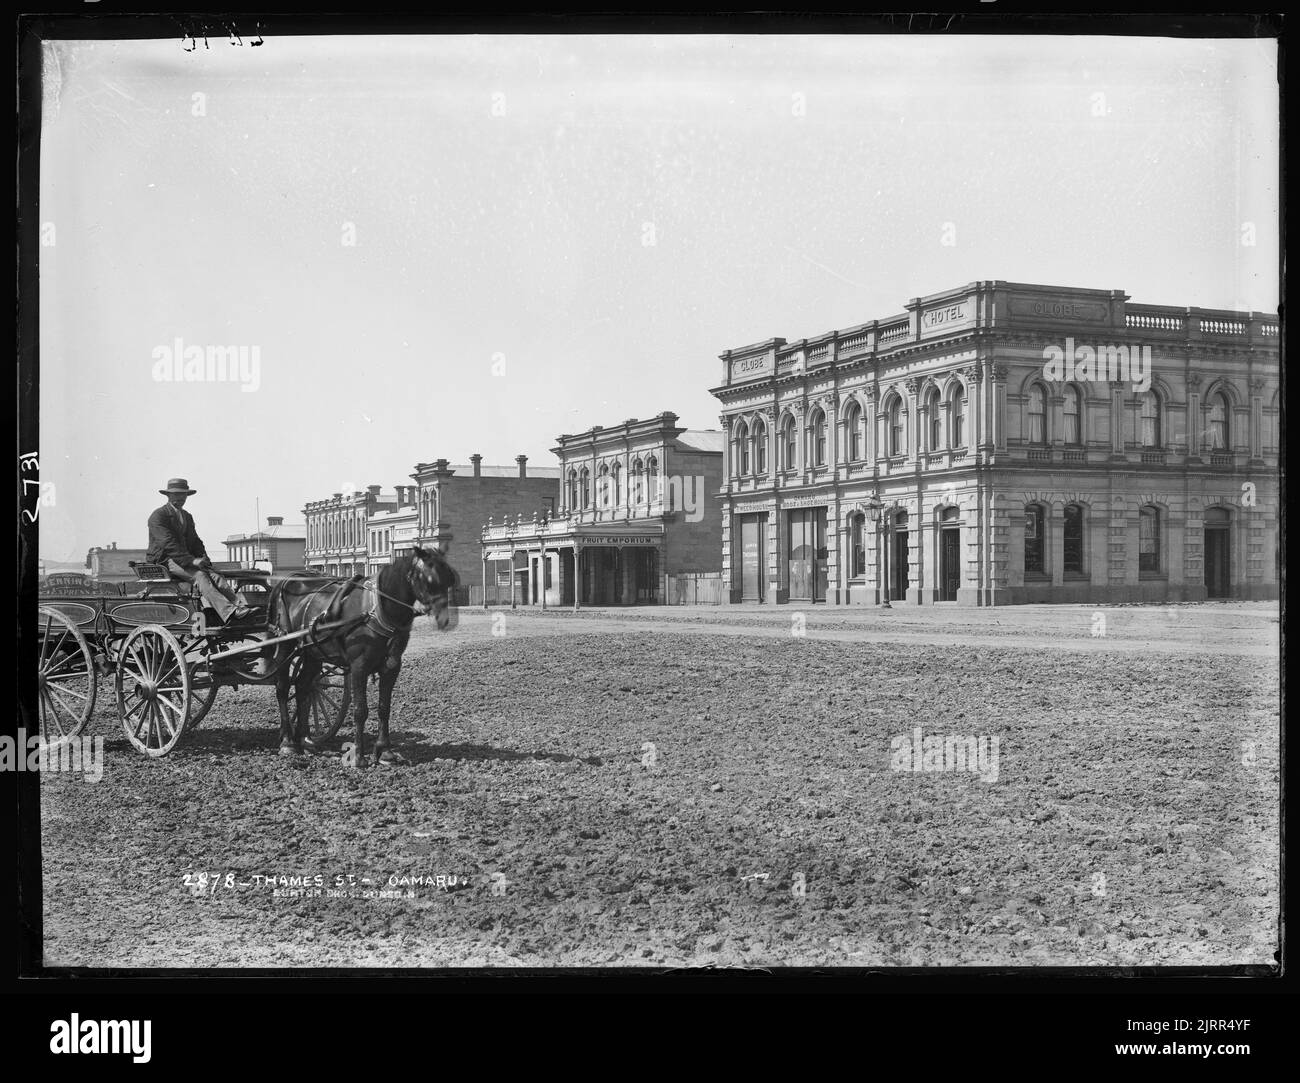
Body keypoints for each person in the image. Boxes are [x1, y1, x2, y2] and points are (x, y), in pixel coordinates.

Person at [146, 478, 250, 623]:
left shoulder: (187, 516)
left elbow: (195, 541)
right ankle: (229, 612)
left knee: (216, 576)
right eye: (176, 495)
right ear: (168, 496)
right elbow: (168, 544)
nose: (180, 498)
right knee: (200, 576)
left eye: (183, 495)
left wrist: (203, 558)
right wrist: (192, 561)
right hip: (164, 560)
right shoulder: (158, 516)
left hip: (184, 559)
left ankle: (241, 608)